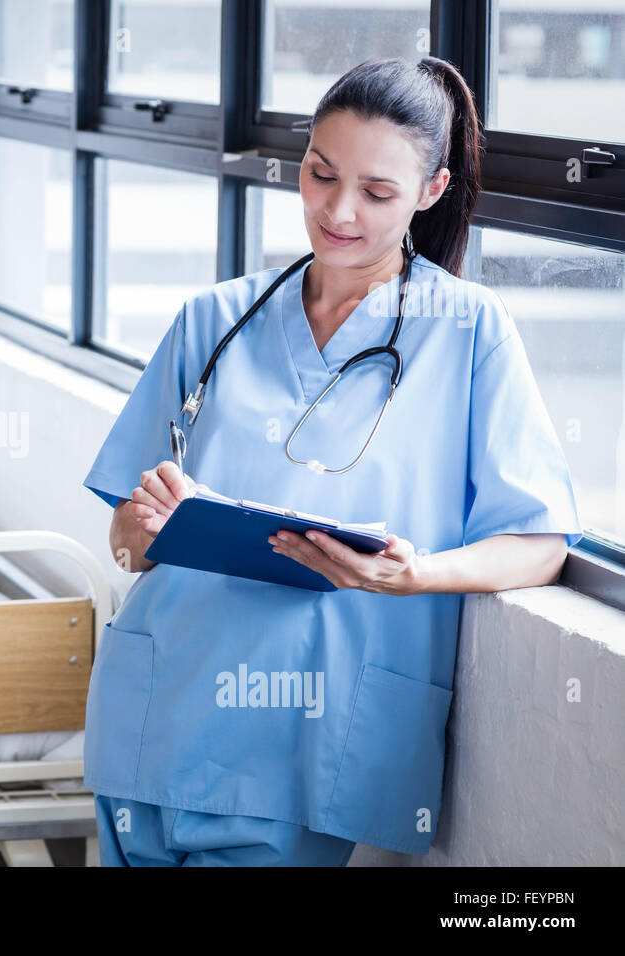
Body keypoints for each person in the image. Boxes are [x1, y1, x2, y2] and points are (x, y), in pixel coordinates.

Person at [82, 56, 582, 866]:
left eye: (377, 192)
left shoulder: (468, 333)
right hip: (152, 718)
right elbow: (122, 542)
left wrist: (411, 575)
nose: (337, 210)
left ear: (432, 189)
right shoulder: (215, 318)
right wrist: (143, 524)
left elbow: (541, 544)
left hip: (301, 749)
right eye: (320, 174)